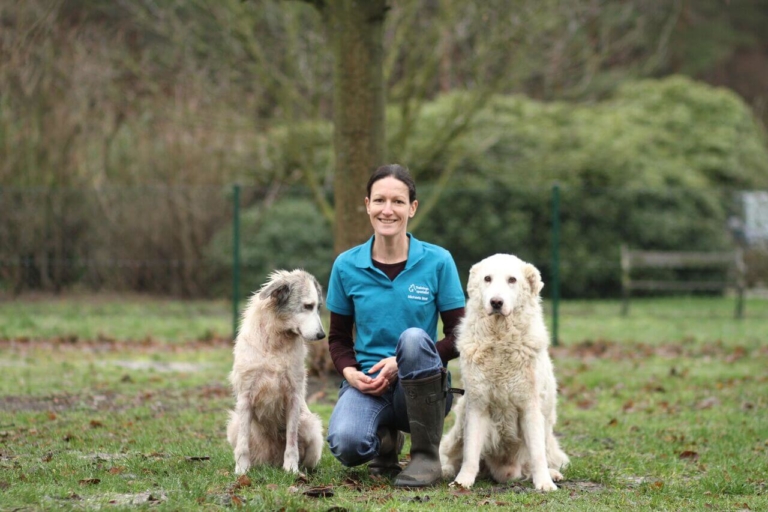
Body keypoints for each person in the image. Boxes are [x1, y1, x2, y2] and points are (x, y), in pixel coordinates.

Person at [325, 164, 466, 487]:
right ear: (367, 205)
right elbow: (338, 339)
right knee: (347, 445)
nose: (387, 210)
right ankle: (385, 442)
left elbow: (460, 335)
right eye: (379, 201)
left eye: (398, 202)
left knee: (414, 339)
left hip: (422, 388)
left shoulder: (438, 261)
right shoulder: (346, 265)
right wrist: (349, 373)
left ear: (412, 208)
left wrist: (400, 362)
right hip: (369, 384)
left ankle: (425, 456)